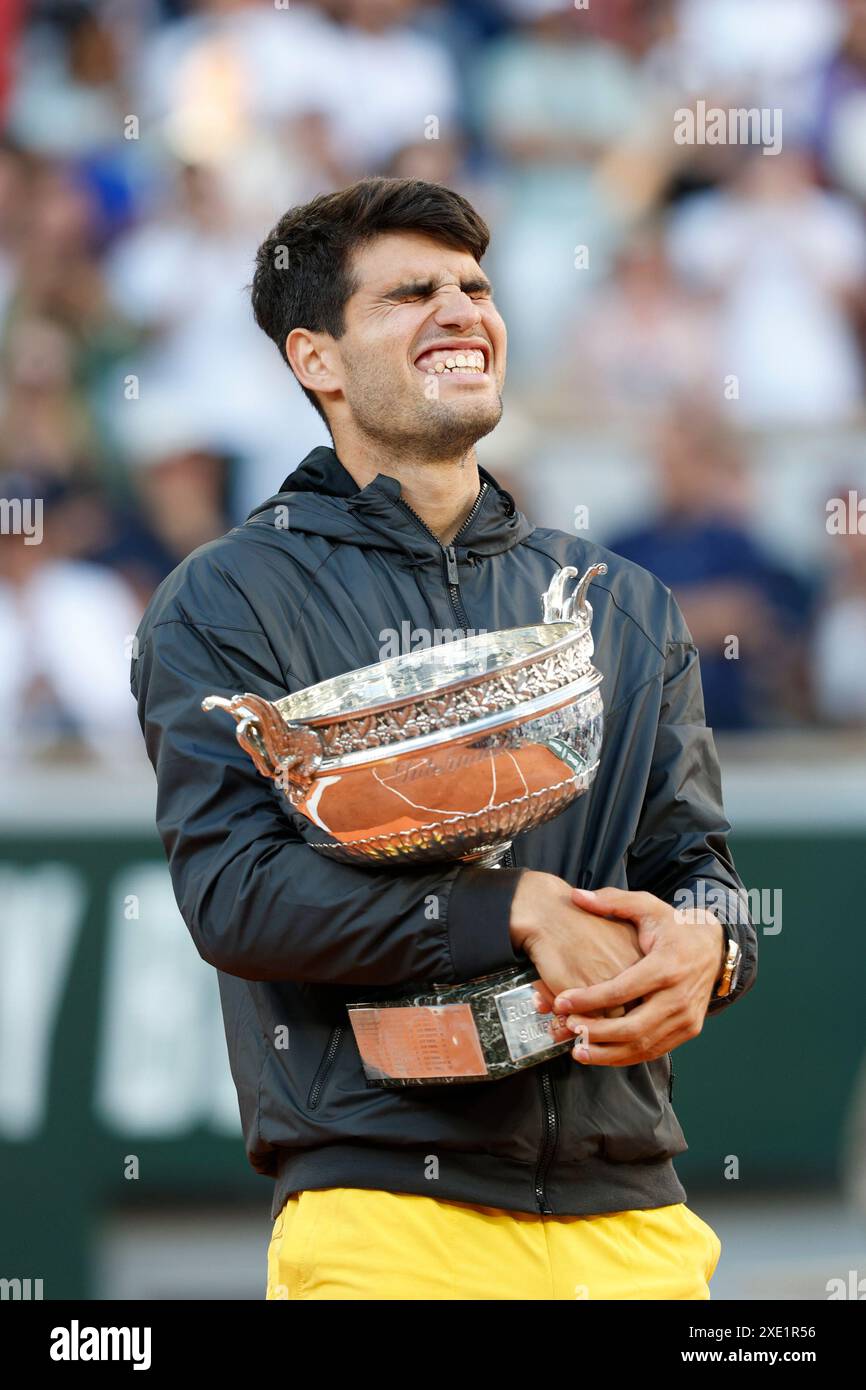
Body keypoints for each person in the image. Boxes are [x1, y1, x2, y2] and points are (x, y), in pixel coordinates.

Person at [131, 176, 757, 1301]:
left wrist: (711, 953)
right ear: (315, 359)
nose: (461, 309)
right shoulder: (225, 598)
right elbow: (236, 893)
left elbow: (693, 868)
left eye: (474, 285)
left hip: (641, 1221)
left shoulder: (622, 600)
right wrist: (506, 907)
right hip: (386, 1220)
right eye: (410, 292)